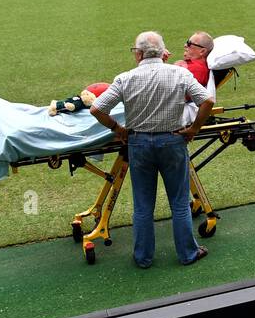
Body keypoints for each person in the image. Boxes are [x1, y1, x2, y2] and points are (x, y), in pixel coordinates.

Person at [90, 31, 215, 268]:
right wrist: (193, 129)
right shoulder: (180, 73)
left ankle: (143, 257)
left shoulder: (125, 78)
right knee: (179, 203)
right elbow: (207, 101)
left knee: (143, 205)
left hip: (139, 144)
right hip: (173, 142)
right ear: (162, 52)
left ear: (138, 54)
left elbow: (97, 109)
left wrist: (118, 129)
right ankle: (187, 253)